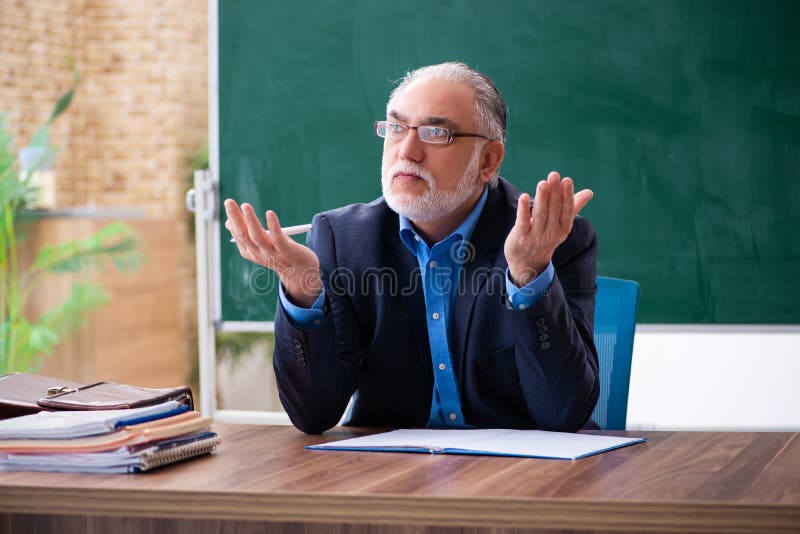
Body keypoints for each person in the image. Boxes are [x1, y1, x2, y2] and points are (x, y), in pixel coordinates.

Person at [224, 62, 598, 434]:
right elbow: (313, 415)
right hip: (394, 476)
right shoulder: (342, 240)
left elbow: (561, 415)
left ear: (488, 161)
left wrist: (528, 273)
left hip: (522, 477)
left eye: (437, 133)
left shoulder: (548, 239)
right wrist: (301, 287)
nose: (408, 150)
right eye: (397, 127)